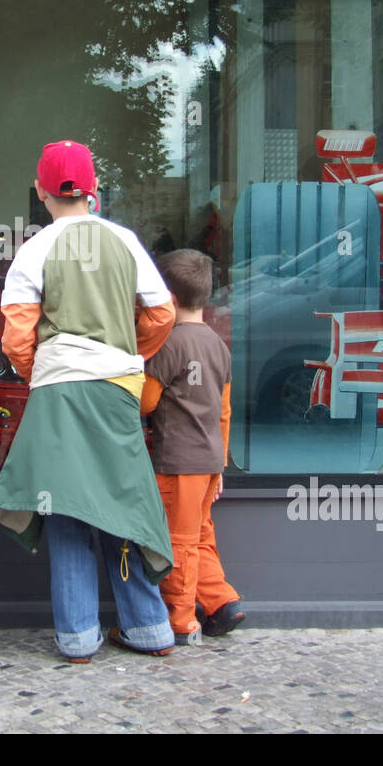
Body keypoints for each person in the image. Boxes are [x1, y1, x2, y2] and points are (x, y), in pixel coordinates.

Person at [0, 140, 178, 662]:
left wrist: (44, 371)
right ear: (93, 189)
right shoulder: (125, 242)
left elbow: (16, 336)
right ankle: (151, 628)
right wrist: (121, 349)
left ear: (41, 191)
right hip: (117, 386)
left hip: (59, 392)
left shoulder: (34, 249)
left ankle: (76, 637)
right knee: (120, 503)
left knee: (65, 505)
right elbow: (162, 314)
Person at [141, 249, 244, 644]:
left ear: (166, 296)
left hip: (178, 463)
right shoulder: (220, 346)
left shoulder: (169, 346)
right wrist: (220, 466)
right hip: (207, 462)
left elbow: (146, 403)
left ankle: (180, 621)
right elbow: (225, 412)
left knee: (178, 544)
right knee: (201, 536)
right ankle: (222, 602)